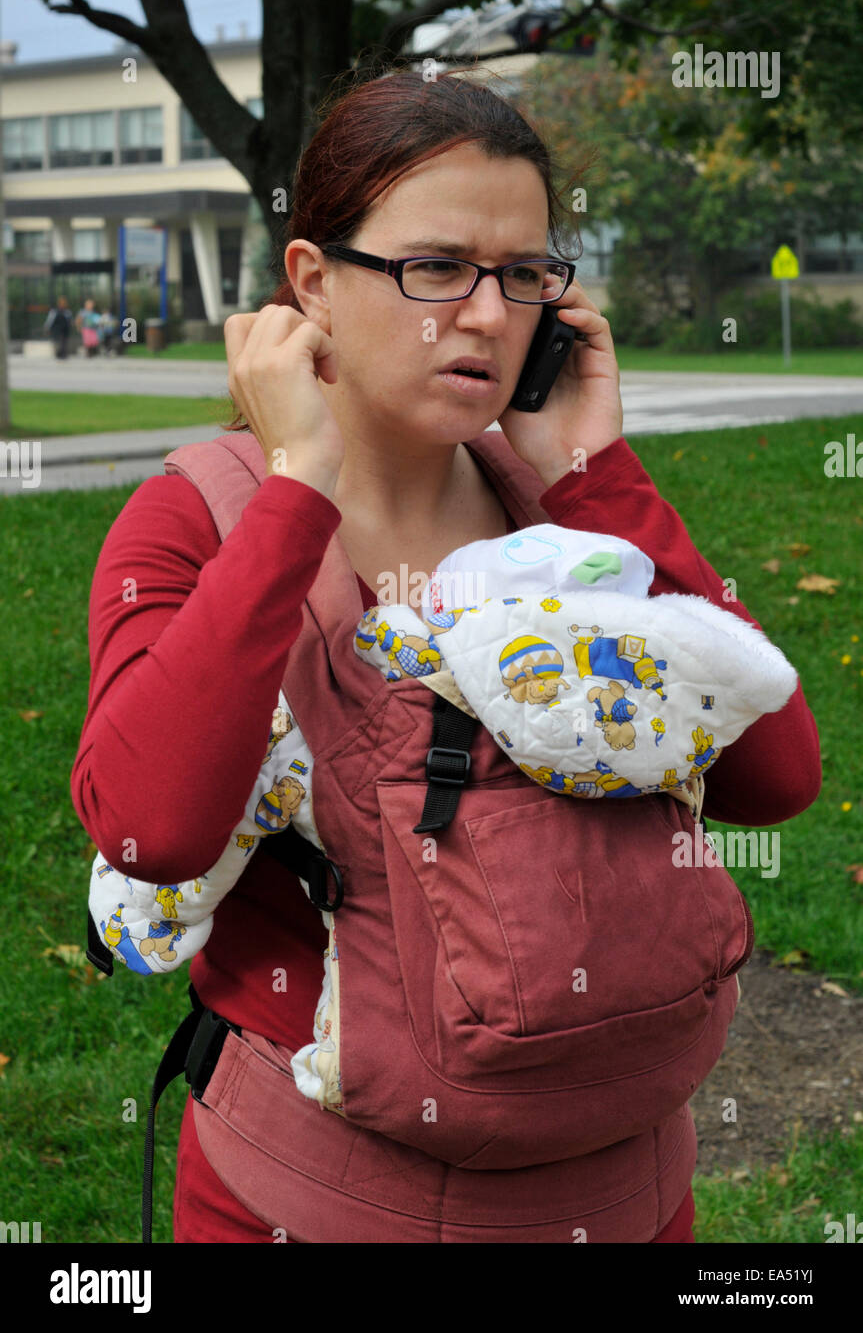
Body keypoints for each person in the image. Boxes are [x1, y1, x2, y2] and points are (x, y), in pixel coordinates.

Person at [70, 67, 821, 1244]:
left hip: (623, 1198)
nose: (484, 314)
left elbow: (772, 777)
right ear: (311, 282)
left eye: (522, 275)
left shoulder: (559, 518)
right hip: (317, 1207)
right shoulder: (197, 521)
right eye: (434, 268)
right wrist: (297, 492)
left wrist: (596, 475)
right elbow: (147, 831)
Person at [43, 294, 72, 358]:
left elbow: (69, 321)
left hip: (65, 330)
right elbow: (49, 321)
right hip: (57, 330)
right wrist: (47, 328)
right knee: (58, 342)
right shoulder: (54, 311)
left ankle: (63, 353)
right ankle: (59, 353)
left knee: (64, 342)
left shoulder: (67, 312)